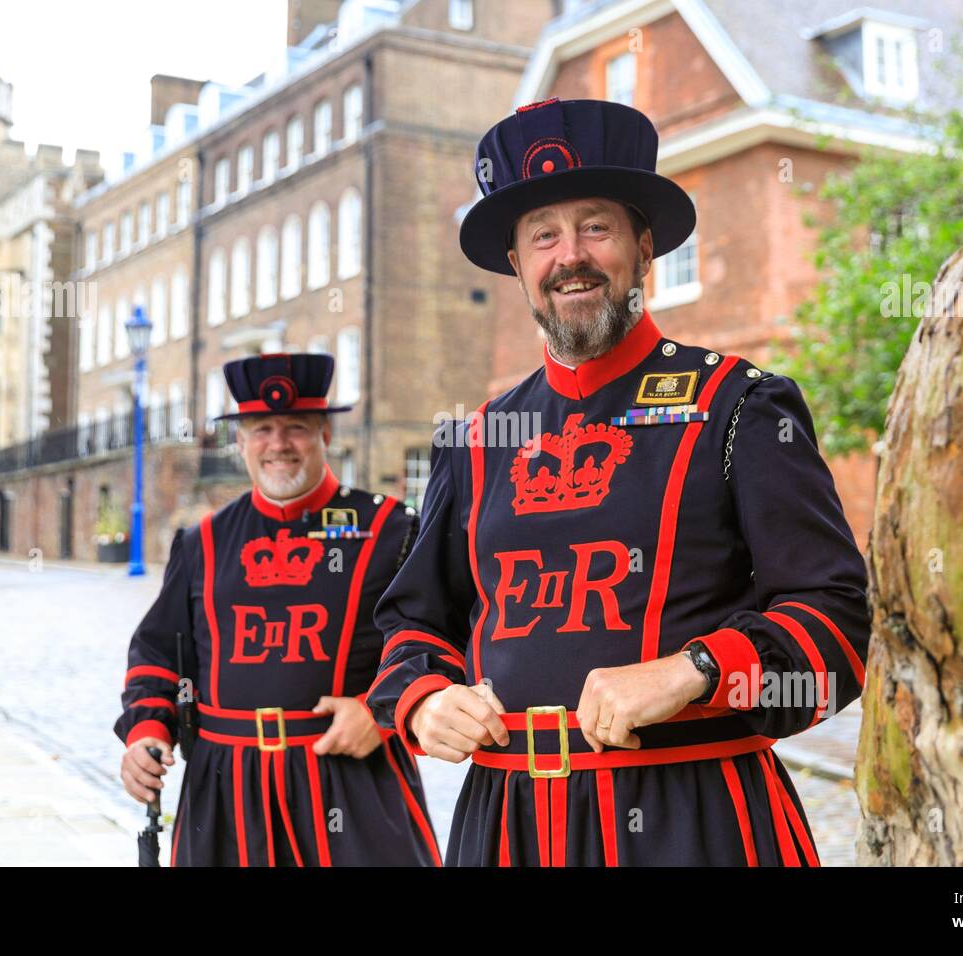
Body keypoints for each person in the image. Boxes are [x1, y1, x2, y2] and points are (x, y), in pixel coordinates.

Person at [365, 98, 871, 866]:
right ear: (518, 265)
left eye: (595, 226)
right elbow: (411, 627)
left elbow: (837, 630)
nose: (570, 255)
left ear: (642, 247)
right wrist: (424, 700)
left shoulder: (738, 405)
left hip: (697, 820)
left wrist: (697, 670)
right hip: (509, 829)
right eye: (543, 235)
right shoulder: (472, 441)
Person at [115, 352, 440, 866]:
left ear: (326, 435)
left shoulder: (391, 530)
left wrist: (382, 711)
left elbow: (436, 638)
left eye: (297, 427)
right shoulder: (203, 542)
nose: (279, 443)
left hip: (349, 782)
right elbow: (158, 651)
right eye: (261, 428)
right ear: (240, 441)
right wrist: (146, 732)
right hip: (225, 789)